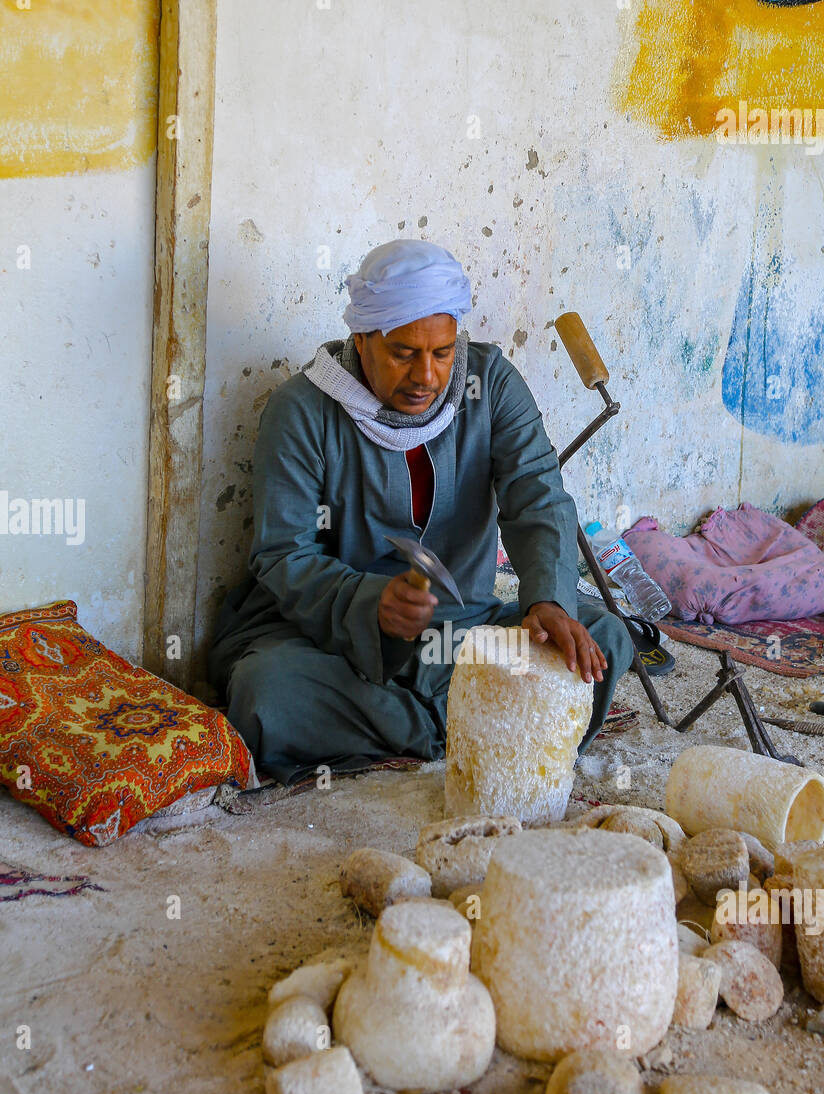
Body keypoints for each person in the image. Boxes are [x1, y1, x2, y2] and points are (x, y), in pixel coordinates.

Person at [208, 238, 633, 783]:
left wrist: (548, 600)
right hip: (331, 639)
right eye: (403, 353)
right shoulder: (302, 410)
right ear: (362, 340)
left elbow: (538, 496)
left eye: (443, 352)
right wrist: (371, 605)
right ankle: (481, 724)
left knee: (600, 638)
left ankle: (439, 722)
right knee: (265, 694)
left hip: (464, 630)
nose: (427, 377)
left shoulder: (490, 386)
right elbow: (283, 554)